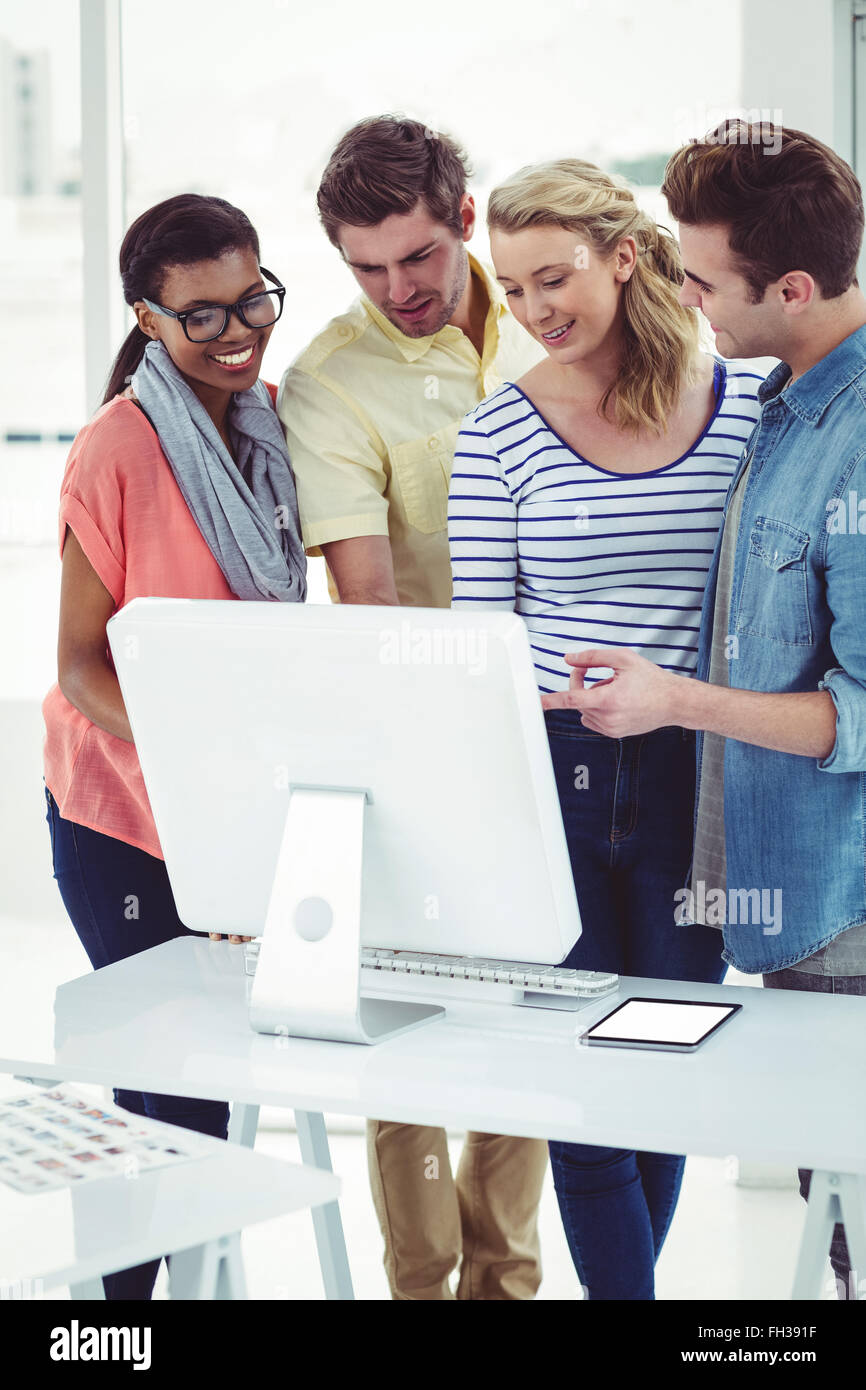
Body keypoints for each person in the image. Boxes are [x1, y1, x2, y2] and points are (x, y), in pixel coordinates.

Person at [542, 121, 866, 1302]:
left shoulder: (859, 440)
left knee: (848, 1221)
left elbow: (860, 715)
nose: (681, 294)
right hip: (804, 905)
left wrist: (672, 698)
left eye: (702, 278)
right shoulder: (779, 403)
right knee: (833, 1210)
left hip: (850, 904)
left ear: (788, 286)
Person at [448, 157, 763, 1300]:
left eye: (553, 278)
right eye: (513, 288)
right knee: (582, 1092)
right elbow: (477, 648)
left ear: (621, 257)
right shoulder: (497, 437)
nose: (533, 312)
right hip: (552, 779)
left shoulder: (744, 406)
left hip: (697, 773)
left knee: (661, 1073)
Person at [278, 115, 550, 1300]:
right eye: (365, 266)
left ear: (465, 223)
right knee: (412, 1041)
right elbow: (372, 601)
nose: (396, 289)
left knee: (530, 1024)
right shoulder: (327, 383)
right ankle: (418, 1291)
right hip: (418, 748)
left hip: (572, 745)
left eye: (418, 258)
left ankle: (508, 1284)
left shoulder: (553, 322)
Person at [42, 193, 306, 1299]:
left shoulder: (280, 426)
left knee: (210, 1085)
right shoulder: (115, 446)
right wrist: (201, 764)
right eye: (201, 315)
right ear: (147, 318)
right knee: (160, 1085)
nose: (236, 329)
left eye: (251, 298)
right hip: (120, 813)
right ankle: (127, 1319)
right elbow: (80, 667)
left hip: (236, 812)